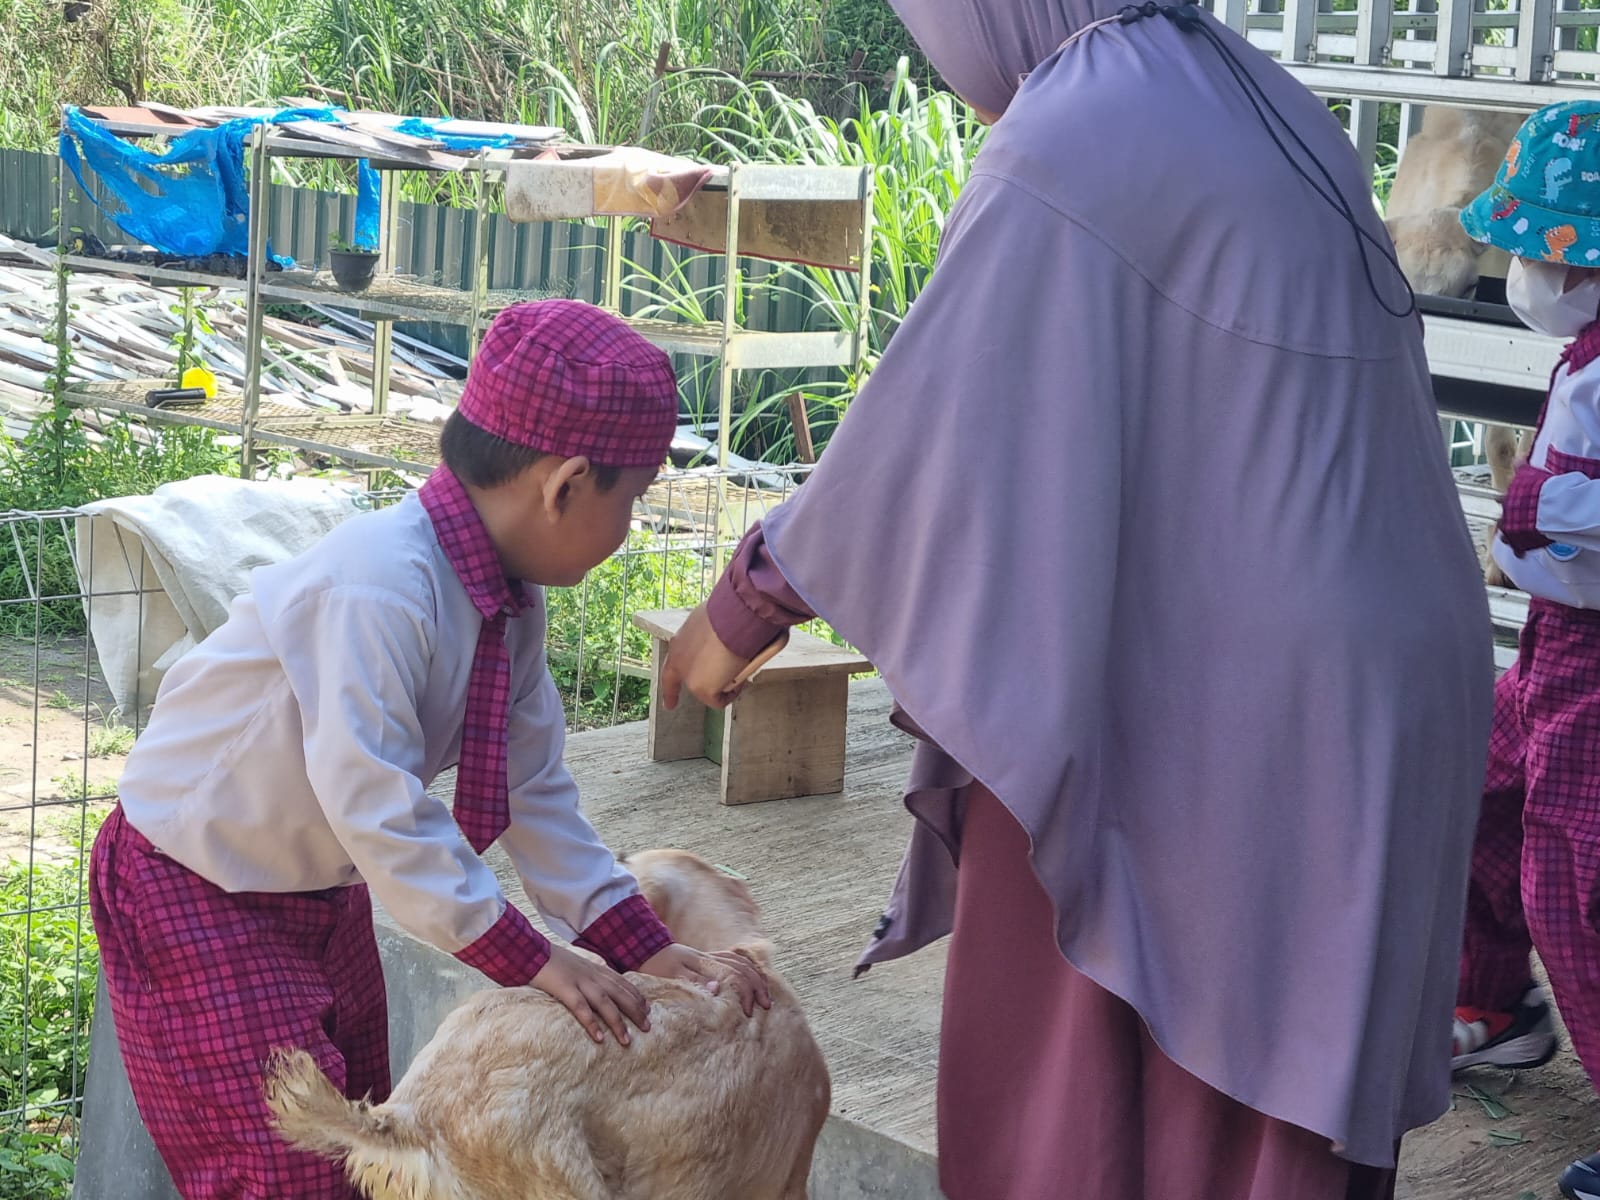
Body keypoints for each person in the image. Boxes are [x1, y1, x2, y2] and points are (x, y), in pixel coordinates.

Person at [660, 1, 1494, 1196]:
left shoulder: (1082, 120)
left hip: (1238, 699)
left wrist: (741, 609)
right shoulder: (1254, 92)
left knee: (1095, 1088)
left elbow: (937, 430)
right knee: (1259, 1125)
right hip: (1374, 677)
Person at [87, 299, 770, 1200]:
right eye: (632, 500)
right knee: (286, 1170)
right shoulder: (378, 586)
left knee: (371, 1143)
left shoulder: (509, 605)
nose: (630, 526)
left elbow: (534, 791)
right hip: (194, 889)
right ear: (565, 485)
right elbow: (374, 803)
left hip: (319, 891)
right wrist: (534, 958)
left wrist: (637, 944)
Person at [1451, 99, 1600, 1200]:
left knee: (1575, 889)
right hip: (1552, 644)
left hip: (1593, 665)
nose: (1522, 274)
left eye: (1540, 255)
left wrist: (1539, 508)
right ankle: (1489, 1004)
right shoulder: (1583, 359)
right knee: (1472, 796)